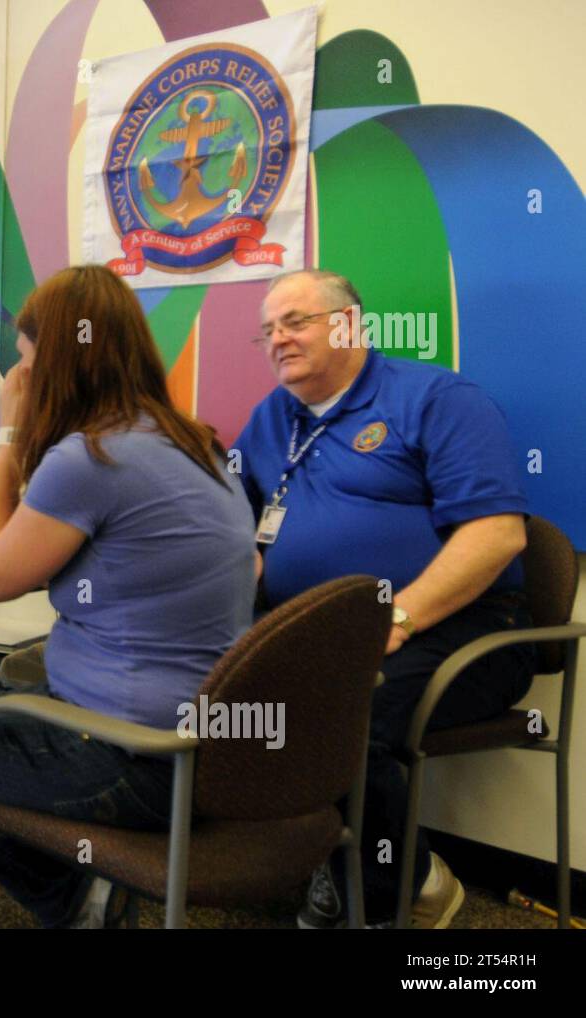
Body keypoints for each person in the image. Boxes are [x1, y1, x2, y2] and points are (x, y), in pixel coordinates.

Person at [0, 265, 258, 928]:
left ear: (54, 362)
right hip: (208, 749)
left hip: (123, 755)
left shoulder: (90, 456)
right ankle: (76, 898)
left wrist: (12, 436)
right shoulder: (197, 445)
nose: (17, 375)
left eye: (25, 359)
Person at [234, 268, 534, 929]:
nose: (278, 338)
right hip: (314, 626)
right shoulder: (270, 418)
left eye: (296, 321)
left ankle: (389, 896)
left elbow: (496, 536)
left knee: (341, 717)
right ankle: (344, 862)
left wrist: (396, 618)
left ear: (349, 324)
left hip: (458, 627)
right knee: (218, 692)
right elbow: (235, 522)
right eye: (269, 329)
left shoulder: (436, 399)